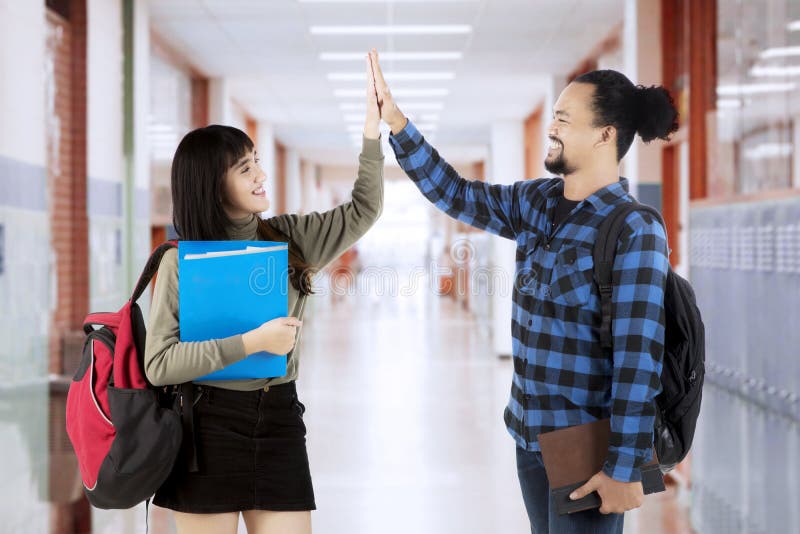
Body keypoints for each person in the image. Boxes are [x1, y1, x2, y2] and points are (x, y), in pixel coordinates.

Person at [369, 49, 676, 534]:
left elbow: (638, 357)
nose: (552, 127)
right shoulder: (536, 202)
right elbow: (457, 193)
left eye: (563, 118)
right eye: (553, 116)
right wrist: (399, 123)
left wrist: (623, 467)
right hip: (529, 432)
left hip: (587, 444)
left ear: (605, 135)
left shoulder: (634, 228)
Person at [143, 55, 384, 534]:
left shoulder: (291, 238)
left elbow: (364, 208)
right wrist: (253, 343)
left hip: (278, 420)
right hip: (202, 428)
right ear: (213, 184)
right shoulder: (179, 262)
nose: (260, 176)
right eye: (245, 168)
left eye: (257, 164)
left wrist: (372, 134)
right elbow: (160, 364)